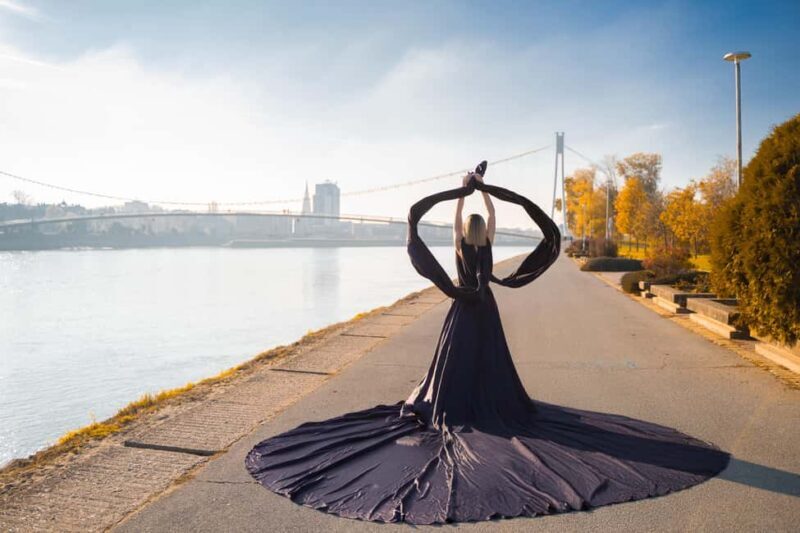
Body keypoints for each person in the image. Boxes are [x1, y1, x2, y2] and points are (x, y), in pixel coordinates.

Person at [245, 161, 730, 524]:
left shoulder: (460, 243)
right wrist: (487, 192)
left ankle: (457, 403)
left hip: (462, 307)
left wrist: (463, 192)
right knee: (490, 362)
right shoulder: (488, 243)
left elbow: (449, 219)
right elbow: (493, 219)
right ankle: (490, 403)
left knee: (453, 365)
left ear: (464, 232)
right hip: (487, 309)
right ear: (486, 233)